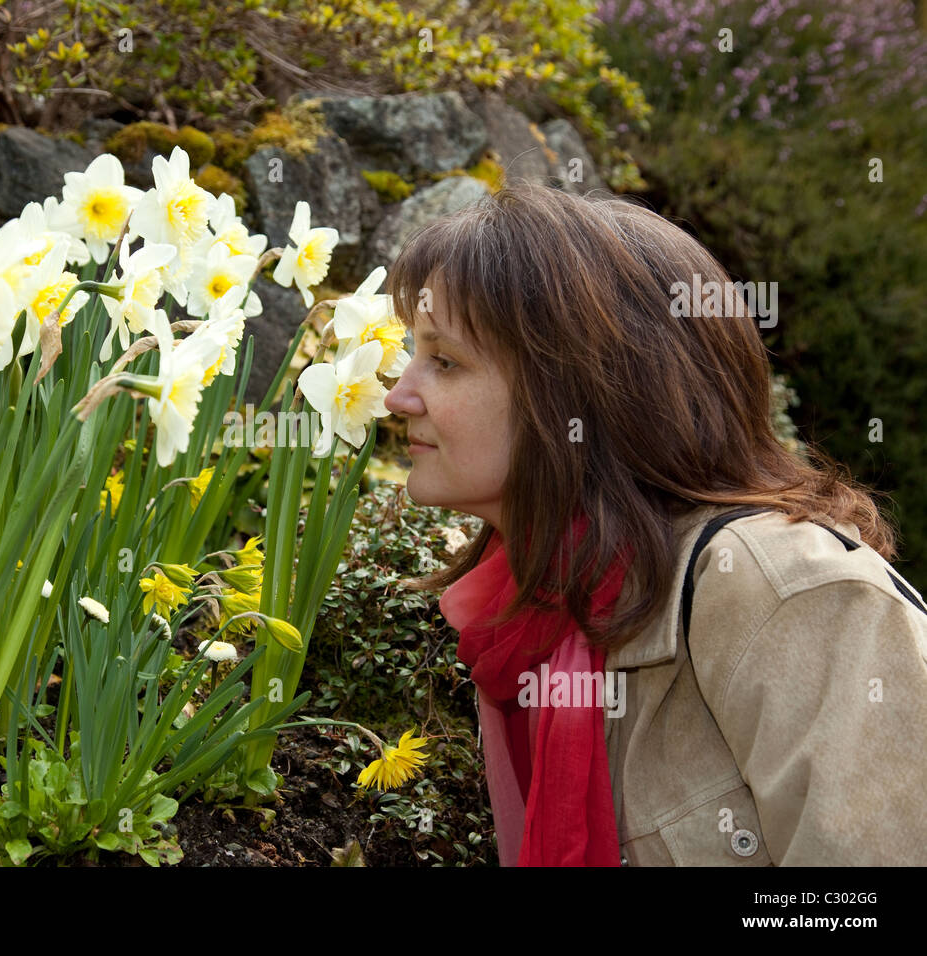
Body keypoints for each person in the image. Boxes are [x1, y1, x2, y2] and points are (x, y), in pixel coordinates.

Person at [381, 181, 927, 866]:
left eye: (445, 361)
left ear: (577, 391)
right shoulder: (536, 612)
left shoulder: (787, 592)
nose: (398, 395)